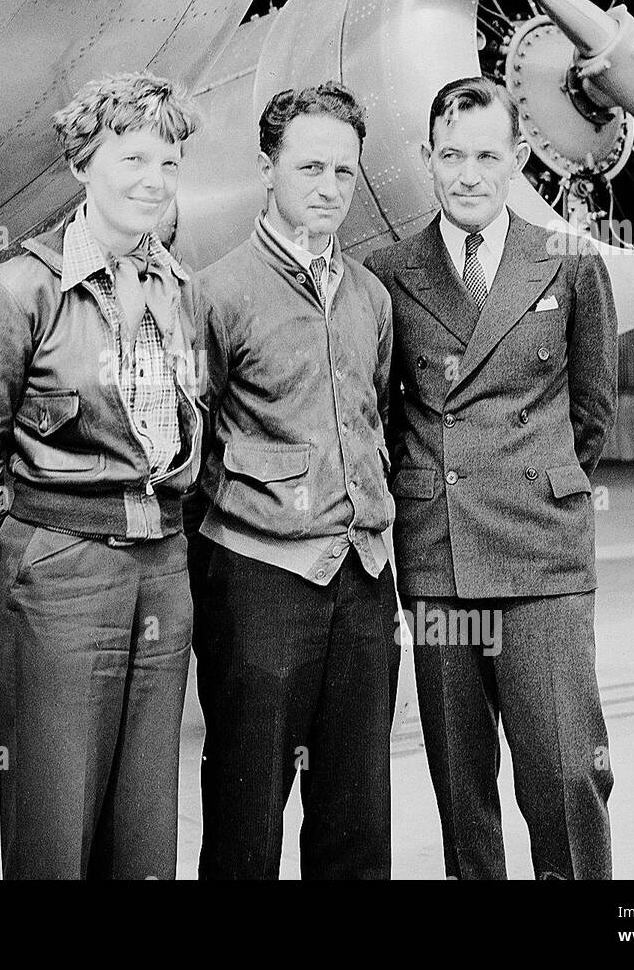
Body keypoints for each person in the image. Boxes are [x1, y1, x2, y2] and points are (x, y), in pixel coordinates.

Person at [0, 71, 202, 879]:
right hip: (59, 565)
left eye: (167, 160)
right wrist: (15, 576)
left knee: (146, 826)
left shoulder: (177, 288)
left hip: (162, 564)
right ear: (84, 164)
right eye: (131, 157)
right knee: (54, 826)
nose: (152, 180)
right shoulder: (19, 290)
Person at [367, 75, 619, 880]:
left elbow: (592, 413)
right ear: (426, 160)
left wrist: (540, 483)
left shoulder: (570, 263)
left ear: (517, 158)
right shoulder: (389, 272)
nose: (467, 173)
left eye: (485, 154)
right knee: (462, 785)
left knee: (566, 769)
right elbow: (381, 410)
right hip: (440, 561)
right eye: (450, 155)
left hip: (542, 556)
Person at [190, 81, 399, 880]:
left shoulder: (372, 298)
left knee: (357, 816)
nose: (330, 189)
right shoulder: (216, 292)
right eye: (310, 168)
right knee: (246, 820)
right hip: (259, 580)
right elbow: (189, 443)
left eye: (344, 173)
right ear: (266, 169)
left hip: (364, 578)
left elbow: (373, 416)